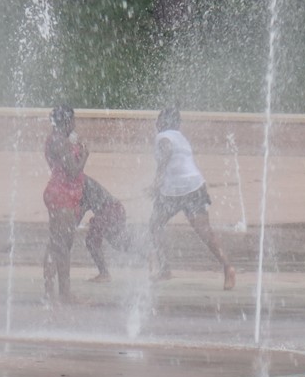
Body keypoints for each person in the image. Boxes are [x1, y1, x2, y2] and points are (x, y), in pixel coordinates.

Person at [149, 107, 235, 290]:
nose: (156, 123)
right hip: (194, 186)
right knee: (205, 232)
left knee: (155, 224)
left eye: (158, 119)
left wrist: (156, 182)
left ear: (162, 122)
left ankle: (165, 268)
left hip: (177, 190)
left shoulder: (163, 136)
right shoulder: (181, 137)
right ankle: (228, 267)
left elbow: (166, 151)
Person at [43, 104, 89, 304]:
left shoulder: (58, 139)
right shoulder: (60, 142)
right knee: (62, 246)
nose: (75, 124)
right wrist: (85, 155)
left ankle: (50, 290)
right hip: (62, 195)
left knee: (57, 244)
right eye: (74, 120)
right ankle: (64, 293)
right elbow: (72, 171)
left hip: (62, 194)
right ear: (68, 121)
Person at [79, 175, 133, 283]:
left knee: (91, 241)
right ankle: (147, 253)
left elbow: (84, 206)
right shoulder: (79, 180)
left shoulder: (80, 182)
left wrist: (72, 224)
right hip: (115, 210)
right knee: (117, 243)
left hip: (110, 210)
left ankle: (104, 273)